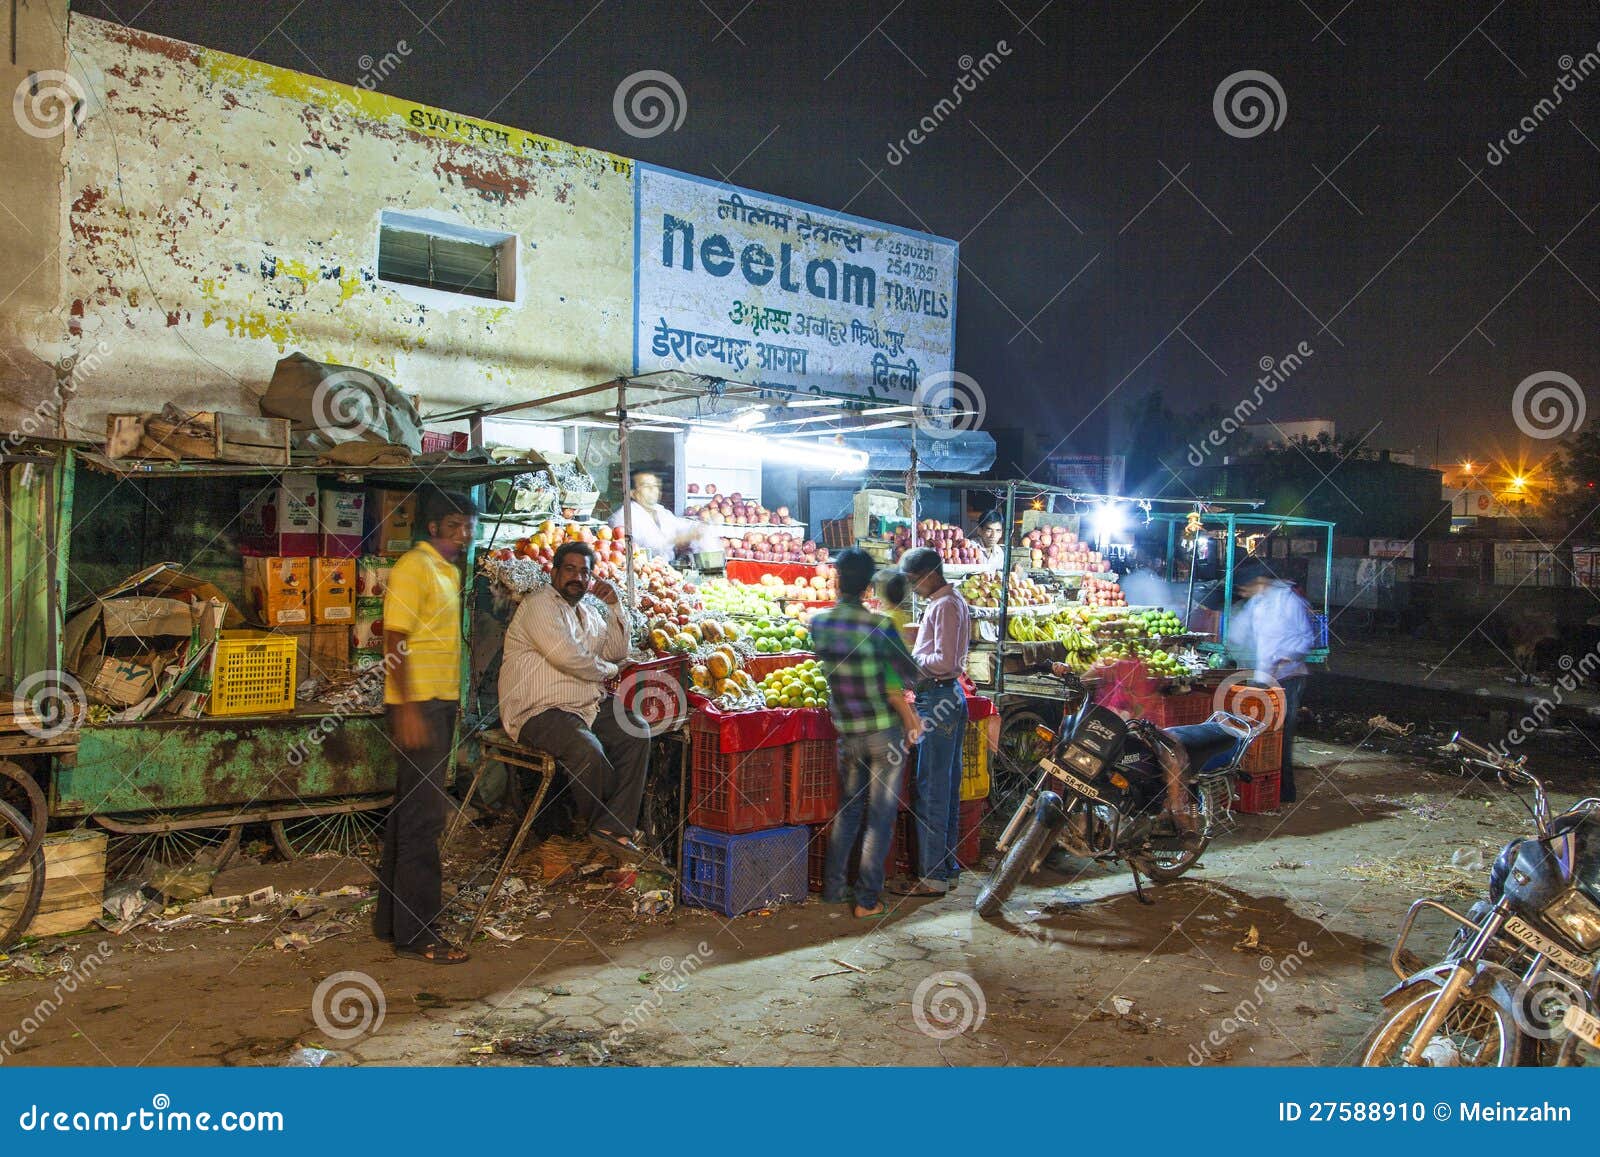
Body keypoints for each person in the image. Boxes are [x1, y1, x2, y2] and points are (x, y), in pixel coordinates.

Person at [499, 540, 653, 859]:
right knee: (588, 752)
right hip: (539, 711)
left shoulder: (586, 612)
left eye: (584, 573)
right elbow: (570, 657)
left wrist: (614, 606)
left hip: (585, 706)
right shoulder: (540, 604)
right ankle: (612, 829)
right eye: (570, 569)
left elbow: (616, 651)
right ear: (554, 572)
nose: (577, 578)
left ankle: (610, 829)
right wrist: (611, 670)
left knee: (637, 730)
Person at [375, 488, 477, 965]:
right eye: (455, 525)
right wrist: (408, 709)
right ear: (433, 528)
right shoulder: (413, 568)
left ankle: (390, 922)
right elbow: (394, 637)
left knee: (407, 814)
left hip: (440, 703)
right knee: (425, 819)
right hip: (420, 706)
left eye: (469, 525)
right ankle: (419, 935)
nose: (464, 533)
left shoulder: (450, 572)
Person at [810, 549, 923, 919]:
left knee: (848, 810)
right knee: (879, 816)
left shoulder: (820, 623)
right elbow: (908, 673)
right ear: (868, 585)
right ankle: (866, 900)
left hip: (847, 732)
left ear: (839, 579)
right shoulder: (881, 628)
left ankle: (834, 888)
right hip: (882, 733)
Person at [892, 546, 972, 897]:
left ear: (928, 574)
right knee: (944, 786)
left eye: (913, 581)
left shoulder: (946, 606)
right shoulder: (946, 603)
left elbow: (945, 660)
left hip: (938, 699)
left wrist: (909, 662)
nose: (913, 588)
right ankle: (946, 869)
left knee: (933, 789)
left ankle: (933, 876)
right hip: (942, 696)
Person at [1227, 557, 1315, 802]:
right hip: (1265, 678)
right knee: (1262, 733)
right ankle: (1262, 786)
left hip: (1289, 677)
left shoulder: (1288, 601)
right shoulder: (1257, 603)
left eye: (1245, 587)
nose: (1243, 593)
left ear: (1259, 581)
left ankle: (1286, 791)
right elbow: (1237, 632)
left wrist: (1284, 658)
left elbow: (1306, 639)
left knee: (1281, 734)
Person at [607, 470, 716, 560]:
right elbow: (650, 548)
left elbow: (682, 526)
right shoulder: (622, 517)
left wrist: (699, 529)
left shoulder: (661, 511)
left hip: (667, 574)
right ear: (632, 492)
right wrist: (678, 540)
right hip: (643, 576)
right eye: (646, 486)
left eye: (655, 486)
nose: (653, 490)